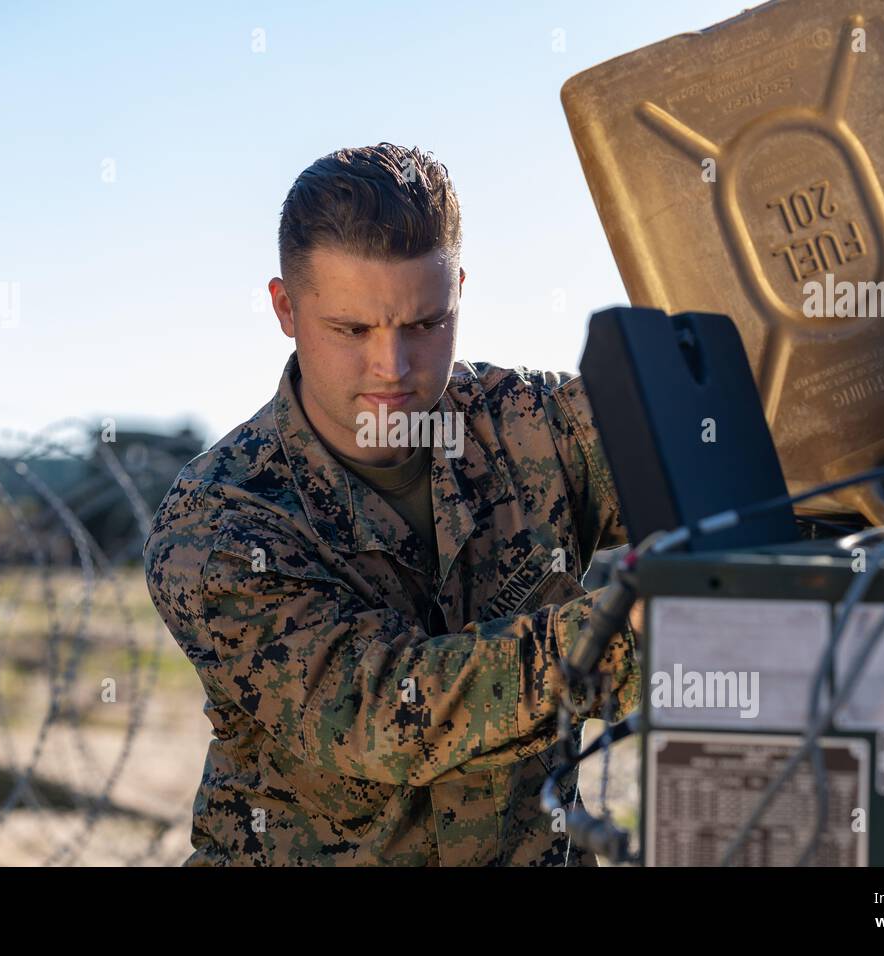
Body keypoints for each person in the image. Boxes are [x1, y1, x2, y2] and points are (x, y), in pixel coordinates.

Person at [143, 142, 639, 866]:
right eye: (352, 330)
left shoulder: (534, 423)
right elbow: (382, 717)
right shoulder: (220, 523)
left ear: (459, 292)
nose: (393, 368)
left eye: (425, 324)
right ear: (286, 307)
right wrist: (632, 635)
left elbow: (755, 469)